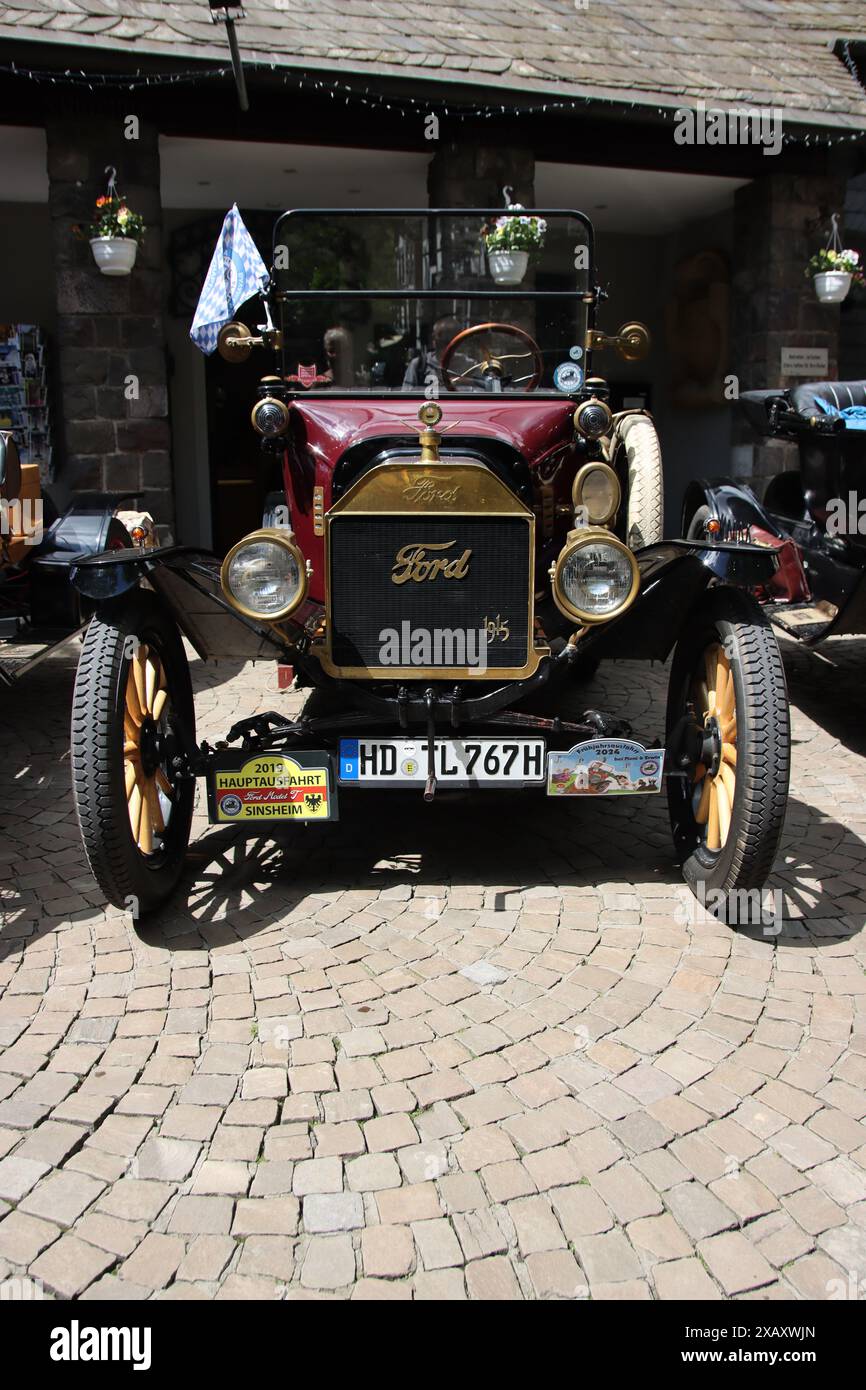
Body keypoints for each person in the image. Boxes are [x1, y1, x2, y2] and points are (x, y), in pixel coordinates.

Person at [402, 315, 461, 390]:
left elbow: (479, 390)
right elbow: (407, 396)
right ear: (433, 338)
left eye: (450, 335)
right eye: (440, 335)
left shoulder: (470, 365)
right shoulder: (419, 365)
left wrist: (466, 381)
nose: (445, 339)